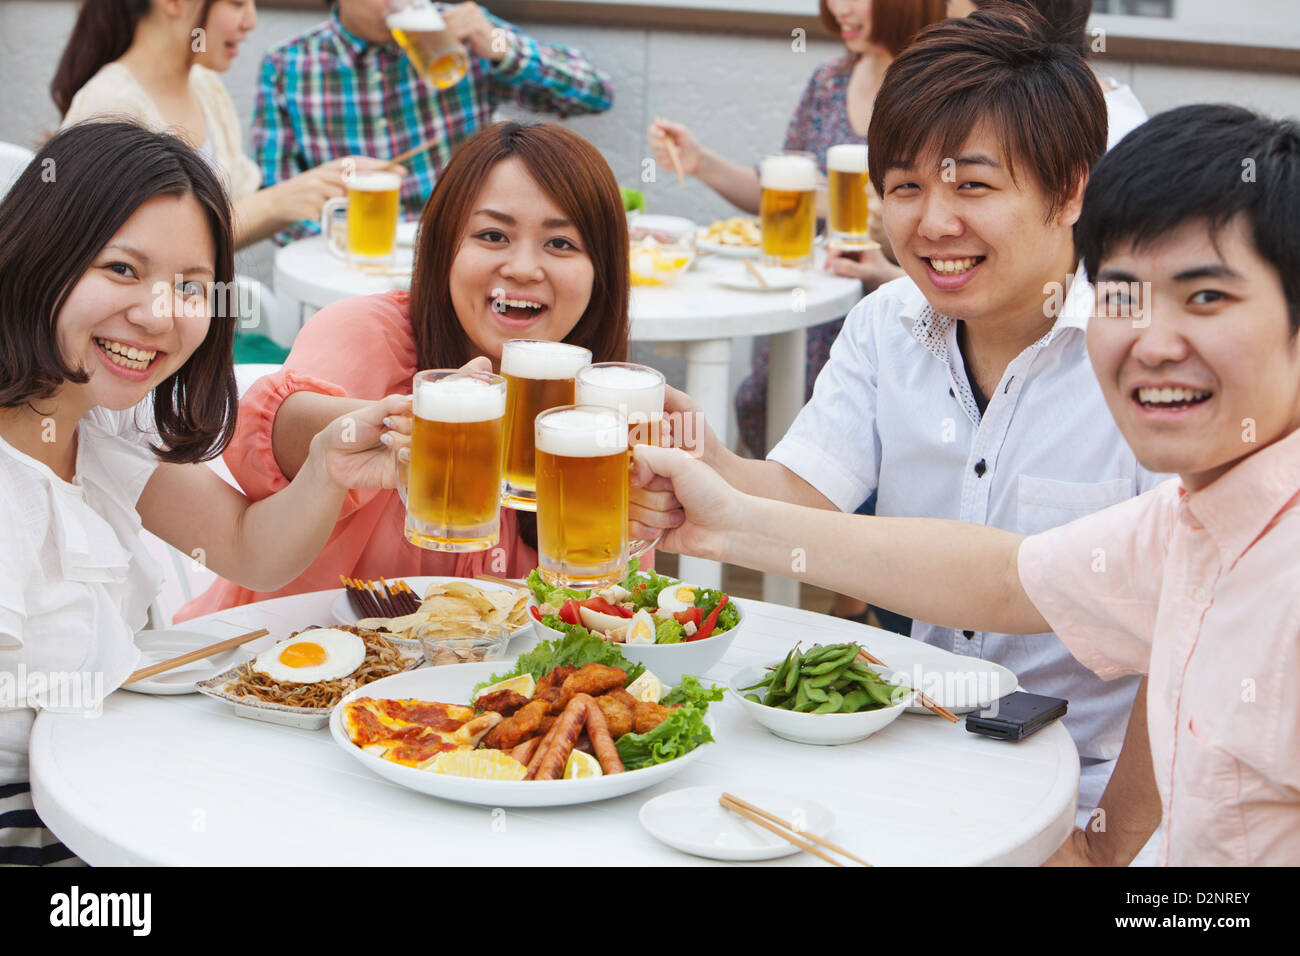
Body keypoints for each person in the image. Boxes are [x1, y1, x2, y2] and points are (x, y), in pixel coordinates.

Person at [632, 103, 1300, 866]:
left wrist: (1102, 856)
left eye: (1207, 297)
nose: (1153, 342)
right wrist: (723, 513)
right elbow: (1002, 578)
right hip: (954, 766)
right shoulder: (1193, 522)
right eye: (1124, 296)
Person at [649, 7, 1166, 837]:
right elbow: (804, 497)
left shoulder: (1149, 357)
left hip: (1091, 790)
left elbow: (1187, 650)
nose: (932, 223)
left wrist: (1105, 848)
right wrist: (711, 468)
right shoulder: (889, 322)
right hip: (913, 752)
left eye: (973, 185)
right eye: (904, 187)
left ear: (1070, 190)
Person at [0, 122, 410, 864]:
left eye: (190, 286)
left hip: (113, 787)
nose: (160, 314)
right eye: (122, 269)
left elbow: (251, 552)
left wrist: (328, 464)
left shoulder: (94, 420)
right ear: (39, 255)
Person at [178, 121, 631, 618]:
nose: (523, 267)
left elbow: (606, 614)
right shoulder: (367, 332)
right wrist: (411, 423)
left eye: (561, 244)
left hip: (473, 692)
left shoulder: (601, 422)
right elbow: (281, 431)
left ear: (601, 271)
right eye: (493, 235)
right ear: (443, 248)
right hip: (280, 670)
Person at [650, 0, 942, 465]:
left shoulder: (941, 88)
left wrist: (881, 256)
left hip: (898, 301)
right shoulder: (829, 82)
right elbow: (781, 196)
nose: (838, 10)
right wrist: (700, 163)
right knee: (767, 411)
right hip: (810, 300)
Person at [52, 0, 403, 250]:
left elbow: (235, 215)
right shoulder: (110, 103)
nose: (250, 21)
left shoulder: (205, 85)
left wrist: (315, 186)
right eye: (236, 3)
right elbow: (124, 255)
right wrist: (277, 203)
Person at [252, 0, 613, 243]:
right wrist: (335, 245)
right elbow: (276, 192)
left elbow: (595, 92)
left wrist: (501, 47)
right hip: (354, 261)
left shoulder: (459, 32)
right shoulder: (289, 64)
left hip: (463, 250)